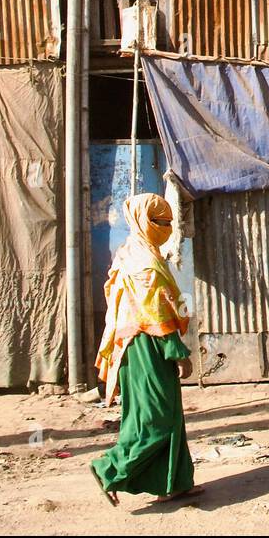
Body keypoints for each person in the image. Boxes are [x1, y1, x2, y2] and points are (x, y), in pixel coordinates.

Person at [90, 192, 201, 506]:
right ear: (141, 221)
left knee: (164, 414)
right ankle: (109, 469)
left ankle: (175, 483)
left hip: (140, 344)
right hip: (145, 346)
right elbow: (154, 311)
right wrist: (176, 350)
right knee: (156, 418)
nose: (165, 227)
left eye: (168, 222)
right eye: (158, 221)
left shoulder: (135, 251)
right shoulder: (143, 262)